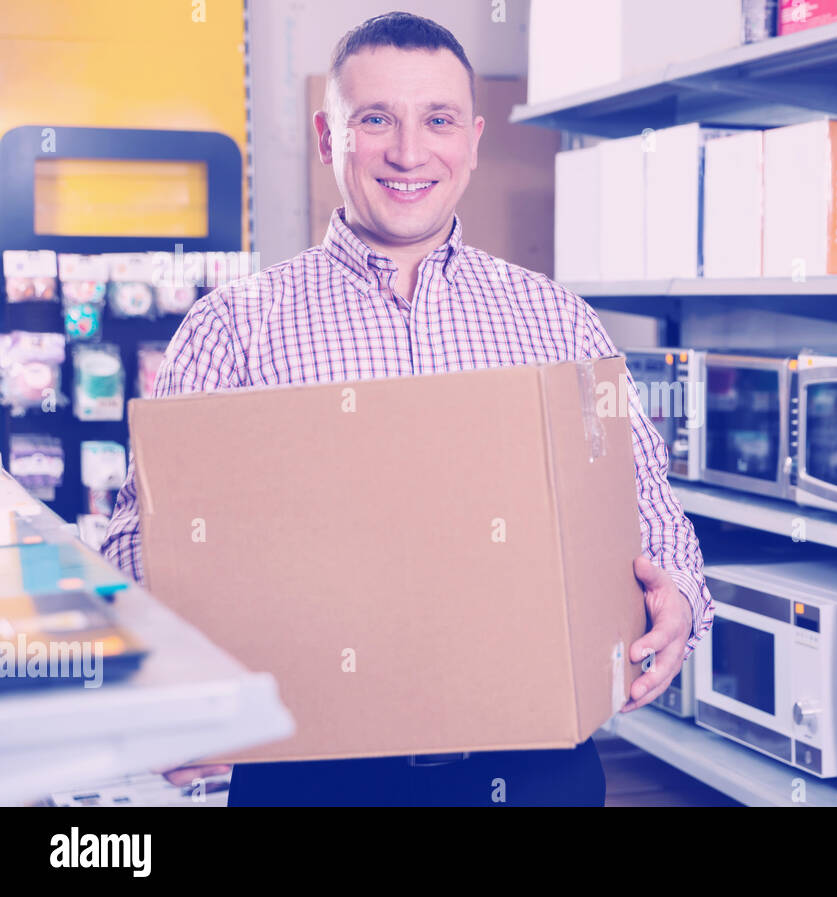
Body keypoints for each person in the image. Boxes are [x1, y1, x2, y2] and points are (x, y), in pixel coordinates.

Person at [101, 11, 713, 807]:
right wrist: (160, 679)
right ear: (330, 137)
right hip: (315, 779)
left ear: (474, 140)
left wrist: (679, 603)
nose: (410, 152)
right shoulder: (230, 333)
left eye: (439, 120)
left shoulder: (561, 324)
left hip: (533, 774)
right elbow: (132, 550)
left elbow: (649, 515)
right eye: (377, 119)